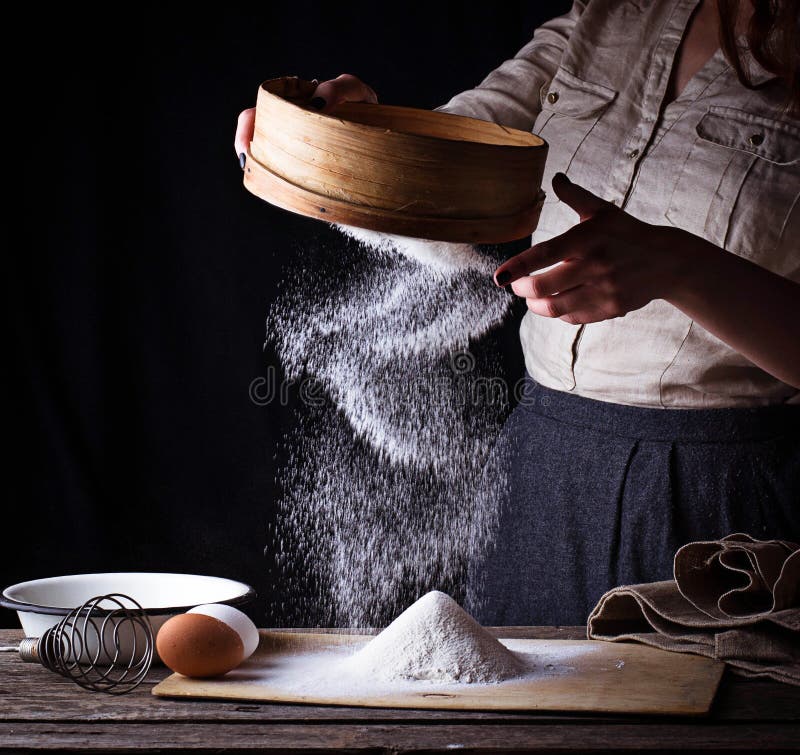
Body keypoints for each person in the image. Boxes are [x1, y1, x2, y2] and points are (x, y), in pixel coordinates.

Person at [235, 0, 800, 625]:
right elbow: (452, 161)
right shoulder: (607, 17)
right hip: (541, 465)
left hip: (729, 488)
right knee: (524, 718)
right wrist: (348, 140)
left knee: (707, 716)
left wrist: (681, 267)